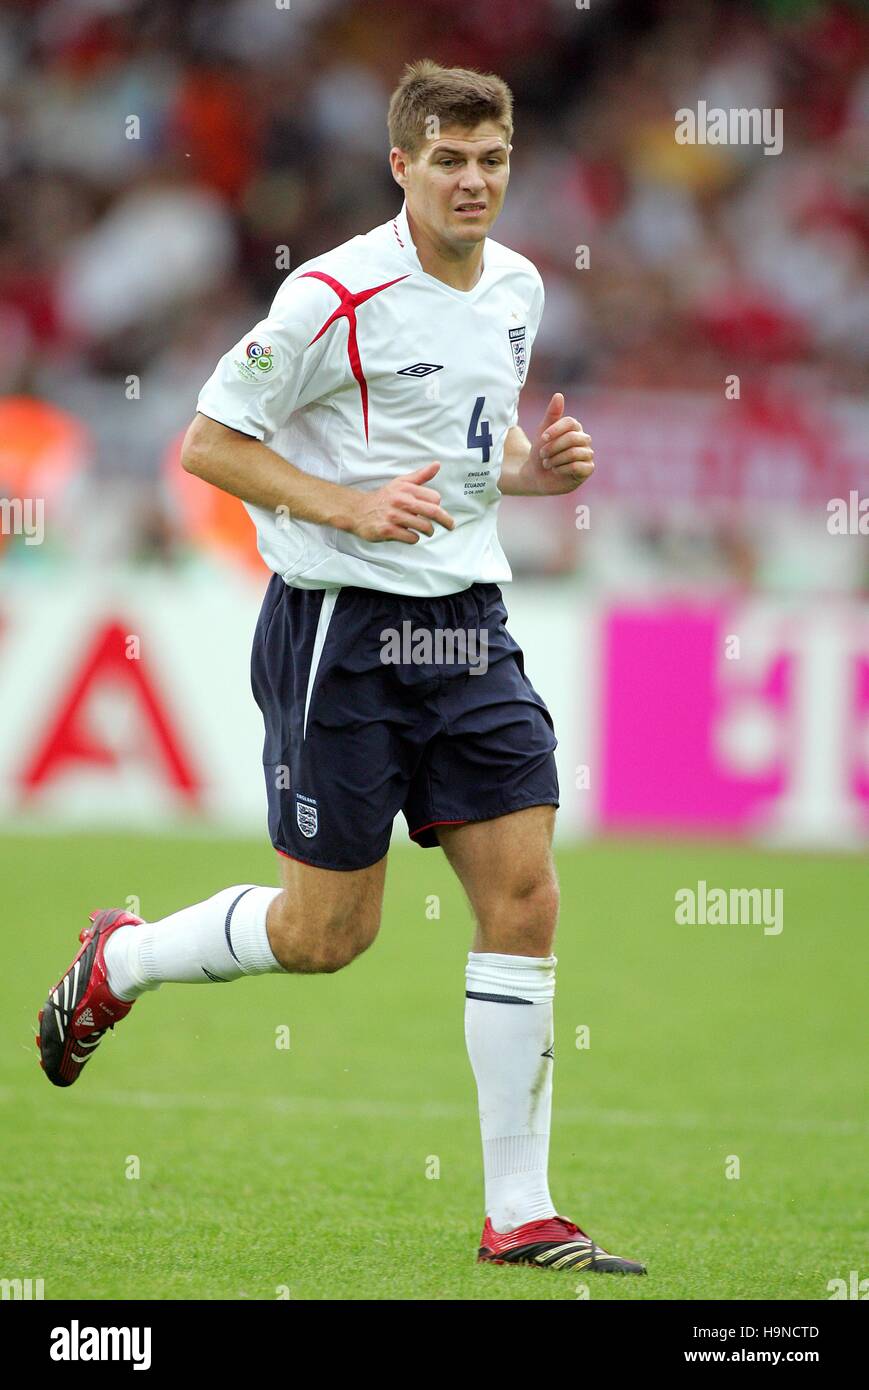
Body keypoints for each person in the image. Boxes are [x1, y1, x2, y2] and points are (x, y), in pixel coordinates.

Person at [37, 59, 645, 1277]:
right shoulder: (332, 296)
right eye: (448, 162)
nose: (472, 183)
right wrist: (341, 506)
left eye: (490, 161)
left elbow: (474, 450)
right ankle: (123, 956)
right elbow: (208, 442)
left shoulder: (518, 288)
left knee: (523, 896)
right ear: (401, 167)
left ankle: (518, 1210)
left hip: (467, 624)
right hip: (340, 629)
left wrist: (539, 469)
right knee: (326, 935)